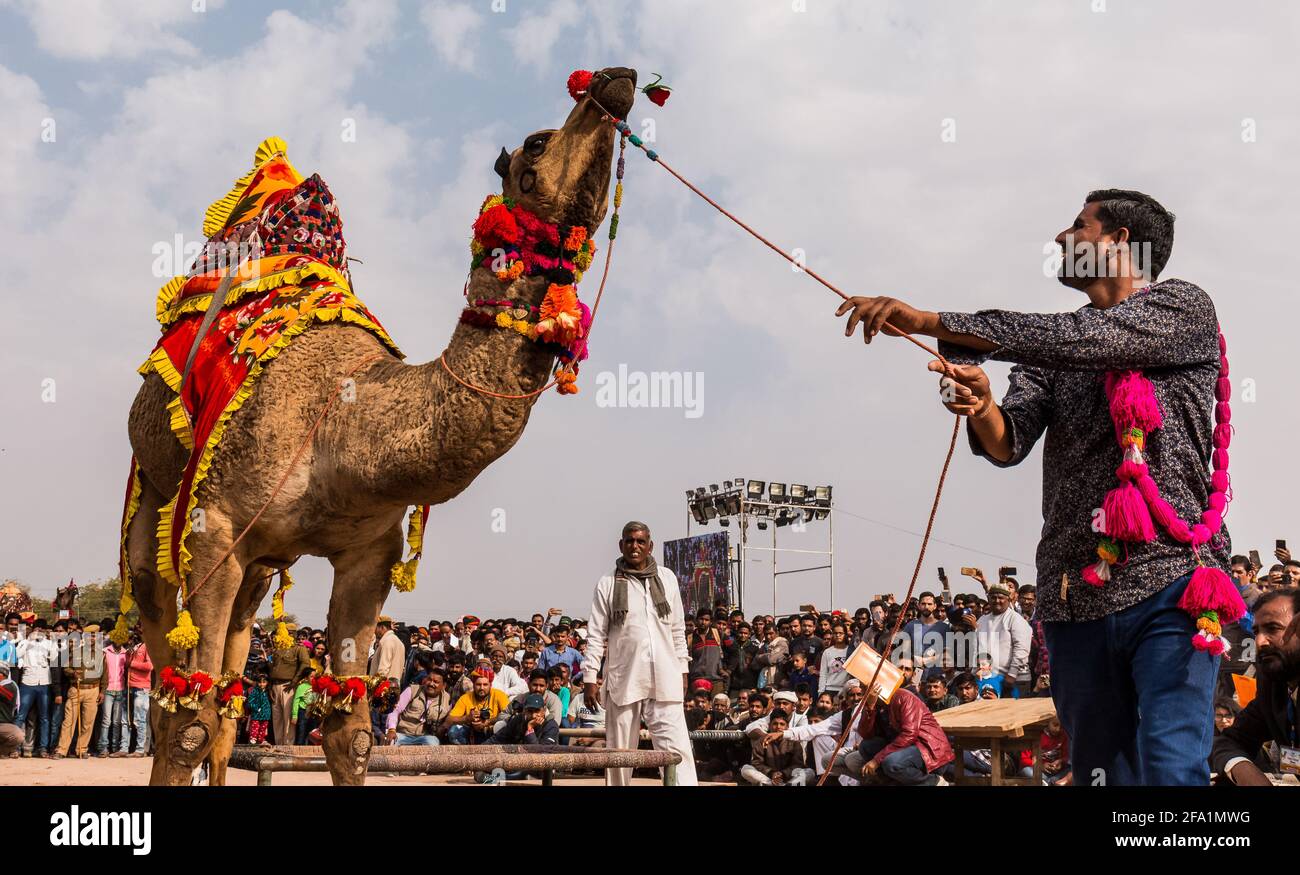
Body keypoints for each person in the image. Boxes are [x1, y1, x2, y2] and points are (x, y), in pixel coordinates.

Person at [840, 190, 1232, 785]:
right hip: (1075, 592)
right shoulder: (1049, 354)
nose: (1060, 240)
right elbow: (1008, 443)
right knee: (1100, 771)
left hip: (1170, 580)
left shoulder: (1182, 308)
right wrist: (983, 404)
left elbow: (1087, 340)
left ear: (1120, 241)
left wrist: (929, 321)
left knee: (1172, 764)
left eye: (1078, 226)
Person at [581, 520, 698, 786]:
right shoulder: (608, 583)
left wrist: (683, 669)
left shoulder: (667, 579)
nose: (635, 546)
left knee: (677, 750)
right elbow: (596, 633)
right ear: (621, 545)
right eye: (630, 541)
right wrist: (590, 677)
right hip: (625, 678)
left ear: (650, 546)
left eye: (640, 541)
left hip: (665, 677)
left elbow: (678, 630)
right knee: (619, 753)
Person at [1210, 588, 1300, 785]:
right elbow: (1229, 741)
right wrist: (1244, 770)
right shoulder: (1273, 690)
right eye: (1256, 631)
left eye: (1274, 628)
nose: (1259, 642)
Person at [832, 686, 954, 786]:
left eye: (865, 687)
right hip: (904, 749)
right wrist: (869, 708)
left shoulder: (904, 696)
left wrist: (876, 760)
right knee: (866, 746)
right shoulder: (876, 705)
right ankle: (894, 782)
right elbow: (865, 734)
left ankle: (934, 782)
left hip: (927, 749)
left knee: (891, 763)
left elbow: (909, 734)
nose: (863, 692)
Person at [53, 625, 104, 760]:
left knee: (88, 722)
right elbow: (66, 669)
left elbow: (106, 675)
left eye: (93, 635)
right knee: (68, 721)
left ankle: (82, 749)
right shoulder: (75, 652)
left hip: (93, 689)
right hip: (76, 689)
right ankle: (62, 750)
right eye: (88, 636)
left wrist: (103, 691)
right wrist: (73, 673)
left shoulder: (102, 654)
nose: (91, 638)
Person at [975, 582, 1032, 697]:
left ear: (1008, 599)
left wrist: (1011, 675)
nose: (997, 601)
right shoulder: (982, 620)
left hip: (1014, 680)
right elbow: (976, 647)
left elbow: (1021, 649)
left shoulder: (1015, 619)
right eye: (993, 597)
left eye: (1000, 597)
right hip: (989, 679)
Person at [14, 620, 58, 758]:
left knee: (44, 717)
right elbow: (17, 654)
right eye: (36, 628)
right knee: (21, 716)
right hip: (27, 683)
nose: (38, 631)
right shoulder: (25, 642)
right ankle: (14, 747)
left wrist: (49, 641)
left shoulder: (49, 644)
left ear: (44, 630)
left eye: (41, 629)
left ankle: (43, 748)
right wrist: (27, 641)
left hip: (44, 683)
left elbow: (55, 657)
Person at [740, 710, 813, 786]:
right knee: (745, 769)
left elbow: (797, 764)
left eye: (782, 724)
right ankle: (771, 784)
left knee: (809, 772)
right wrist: (771, 773)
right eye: (775, 724)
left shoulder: (794, 742)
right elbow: (756, 763)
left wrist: (783, 774)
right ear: (769, 726)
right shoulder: (762, 740)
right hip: (768, 777)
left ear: (787, 726)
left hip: (789, 778)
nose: (778, 727)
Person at [386, 667, 453, 746]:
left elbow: (450, 719)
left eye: (436, 682)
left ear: (444, 686)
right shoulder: (412, 690)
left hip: (426, 737)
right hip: (403, 734)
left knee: (433, 743)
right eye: (429, 679)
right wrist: (391, 729)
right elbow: (395, 710)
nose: (431, 684)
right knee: (390, 741)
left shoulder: (447, 699)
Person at [267, 632, 312, 746]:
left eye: (292, 633)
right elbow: (272, 669)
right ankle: (278, 745)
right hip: (275, 686)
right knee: (277, 719)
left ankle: (288, 746)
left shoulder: (299, 649)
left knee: (288, 719)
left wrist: (294, 681)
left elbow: (305, 665)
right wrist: (270, 686)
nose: (290, 635)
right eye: (288, 632)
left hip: (288, 686)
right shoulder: (278, 649)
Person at [445, 668, 510, 745]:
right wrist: (467, 718)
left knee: (504, 725)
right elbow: (449, 720)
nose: (481, 688)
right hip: (471, 733)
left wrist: (488, 722)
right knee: (454, 731)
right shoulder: (466, 697)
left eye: (485, 685)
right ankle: (465, 753)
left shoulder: (499, 695)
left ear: (490, 685)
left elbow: (509, 716)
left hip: (492, 732)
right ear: (473, 684)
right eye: (478, 684)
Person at [93, 635, 130, 757]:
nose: (118, 640)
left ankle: (115, 748)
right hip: (108, 690)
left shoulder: (126, 653)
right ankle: (103, 748)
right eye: (116, 637)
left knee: (116, 722)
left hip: (120, 690)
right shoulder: (105, 652)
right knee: (106, 720)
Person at [488, 693, 559, 745]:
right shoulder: (519, 719)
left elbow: (540, 755)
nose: (533, 715)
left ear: (544, 710)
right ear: (524, 711)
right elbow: (498, 738)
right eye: (530, 711)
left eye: (537, 711)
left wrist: (530, 729)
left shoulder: (551, 725)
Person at [125, 633, 153, 756]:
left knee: (140, 719)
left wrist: (132, 664)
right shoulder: (135, 647)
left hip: (142, 687)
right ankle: (136, 748)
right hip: (131, 686)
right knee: (132, 719)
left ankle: (141, 749)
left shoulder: (147, 646)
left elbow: (149, 666)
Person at [687, 608, 727, 694]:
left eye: (706, 620)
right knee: (699, 705)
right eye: (701, 619)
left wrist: (728, 670)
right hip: (697, 680)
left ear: (710, 622)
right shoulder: (690, 638)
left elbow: (734, 651)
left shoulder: (718, 634)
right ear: (696, 620)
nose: (703, 622)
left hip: (716, 680)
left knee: (717, 705)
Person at [0, 664, 23, 757]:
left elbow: (5, 694)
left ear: (2, 675)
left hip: (3, 725)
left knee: (18, 735)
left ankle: (2, 751)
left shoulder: (10, 686)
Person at [245, 675, 272, 745]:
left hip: (266, 715)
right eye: (260, 682)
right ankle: (253, 739)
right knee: (255, 728)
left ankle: (261, 739)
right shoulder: (255, 691)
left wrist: (268, 712)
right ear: (257, 682)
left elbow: (269, 703)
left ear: (267, 683)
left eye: (264, 682)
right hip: (256, 714)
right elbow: (250, 702)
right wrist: (257, 708)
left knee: (263, 728)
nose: (262, 684)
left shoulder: (268, 692)